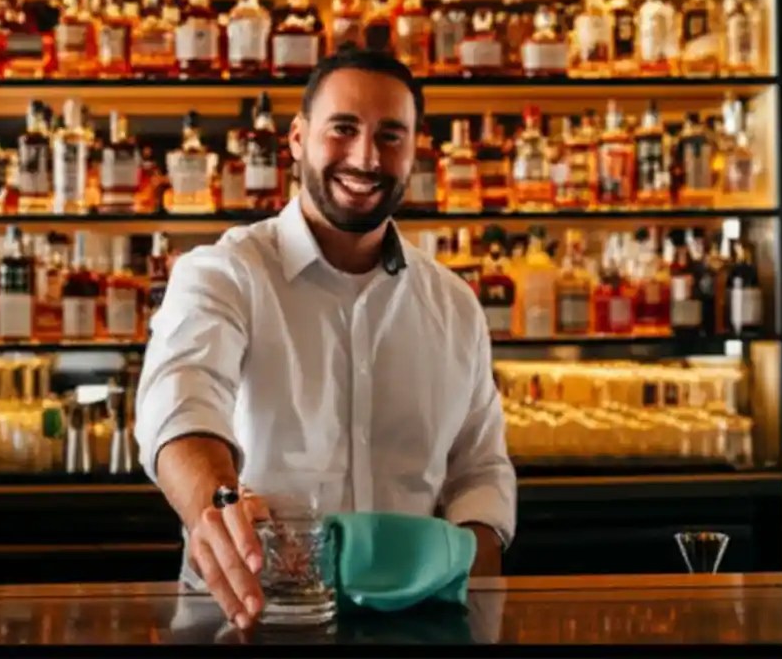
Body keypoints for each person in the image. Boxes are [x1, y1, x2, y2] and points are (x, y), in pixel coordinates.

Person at [134, 47, 516, 630]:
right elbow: (180, 401)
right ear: (296, 138)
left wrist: (469, 578)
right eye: (343, 129)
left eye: (391, 136)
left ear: (416, 151)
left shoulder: (454, 305)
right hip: (248, 617)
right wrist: (218, 507)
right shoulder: (223, 273)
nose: (365, 158)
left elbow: (480, 472)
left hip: (416, 625)